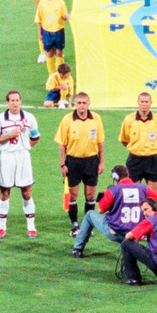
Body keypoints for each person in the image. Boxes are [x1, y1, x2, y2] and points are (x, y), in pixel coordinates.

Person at [0, 91, 40, 240]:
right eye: (12, 100)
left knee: (26, 192)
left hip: (23, 157)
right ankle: (1, 228)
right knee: (4, 193)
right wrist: (10, 136)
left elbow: (36, 137)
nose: (15, 103)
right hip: (6, 157)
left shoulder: (29, 117)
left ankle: (31, 227)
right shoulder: (0, 118)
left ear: (20, 101)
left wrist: (24, 147)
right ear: (7, 102)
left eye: (17, 100)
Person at [54, 92, 105, 237]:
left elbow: (100, 143)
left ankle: (87, 225)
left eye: (84, 103)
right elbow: (62, 145)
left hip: (91, 161)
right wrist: (62, 164)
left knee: (90, 195)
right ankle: (75, 225)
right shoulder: (67, 119)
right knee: (72, 195)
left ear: (89, 104)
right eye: (79, 103)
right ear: (75, 104)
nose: (81, 105)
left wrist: (101, 162)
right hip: (73, 162)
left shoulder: (96, 118)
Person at [71, 166, 145, 258]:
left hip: (117, 232)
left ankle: (77, 249)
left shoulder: (113, 190)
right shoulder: (143, 188)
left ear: (115, 177)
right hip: (136, 233)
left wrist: (103, 198)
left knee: (90, 214)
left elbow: (101, 210)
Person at [118, 93, 157, 199]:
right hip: (134, 160)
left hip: (152, 160)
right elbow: (124, 139)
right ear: (138, 102)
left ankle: (155, 216)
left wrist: (151, 149)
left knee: (154, 195)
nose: (144, 104)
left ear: (151, 103)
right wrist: (136, 148)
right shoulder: (129, 119)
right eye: (142, 102)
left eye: (146, 102)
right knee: (133, 194)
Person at [35, 0, 70, 78]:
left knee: (59, 52)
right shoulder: (42, 3)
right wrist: (40, 34)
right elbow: (39, 19)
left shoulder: (60, 2)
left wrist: (66, 16)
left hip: (59, 30)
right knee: (49, 53)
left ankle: (59, 75)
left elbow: (64, 16)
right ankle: (51, 75)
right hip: (47, 32)